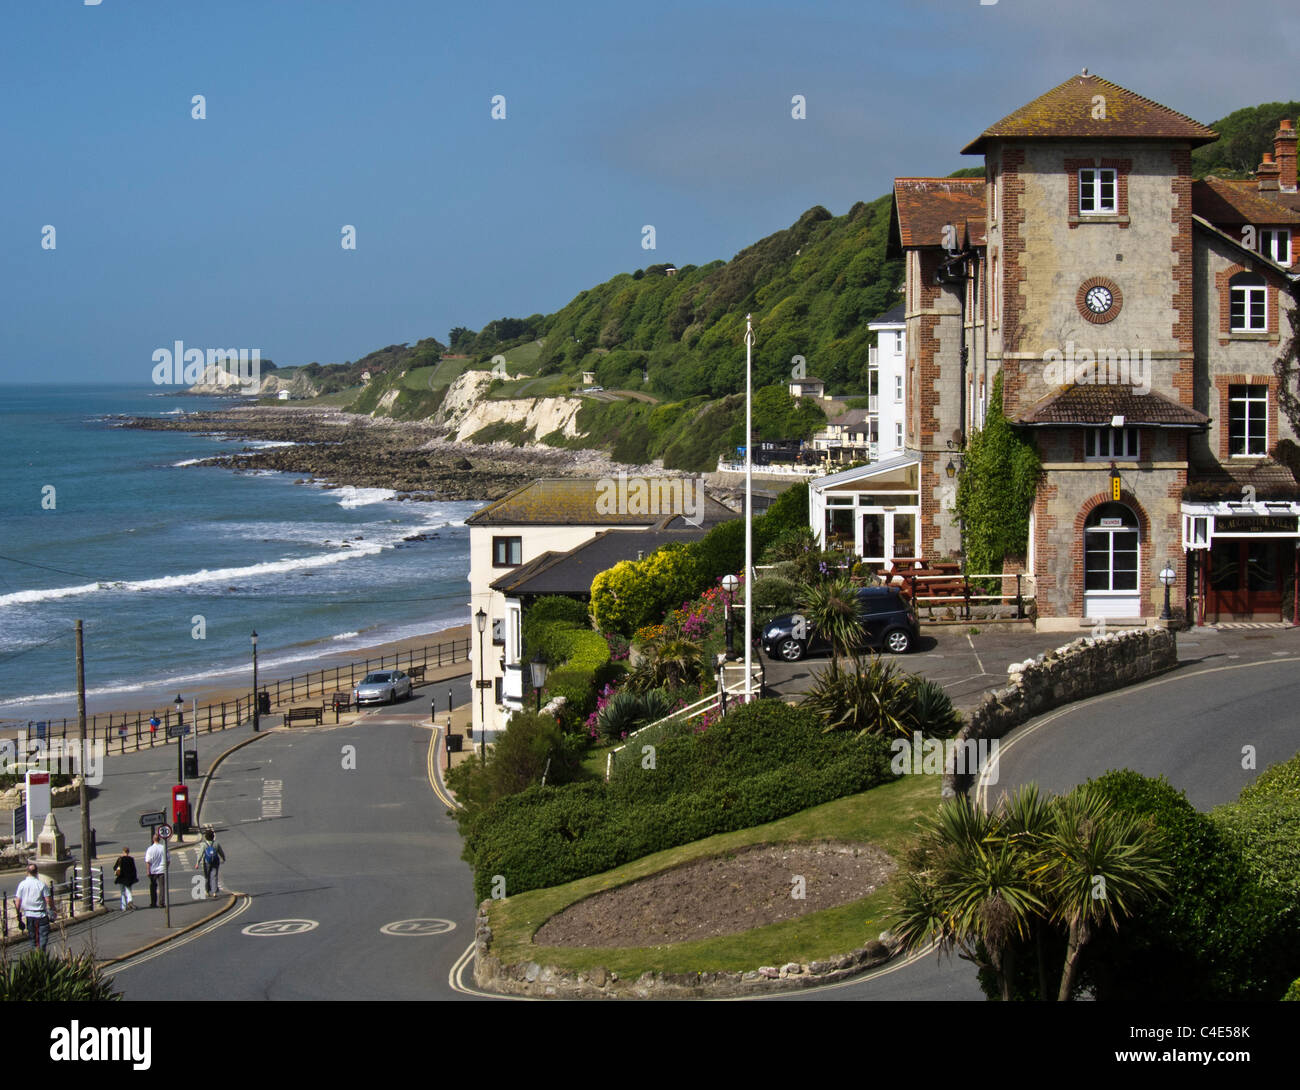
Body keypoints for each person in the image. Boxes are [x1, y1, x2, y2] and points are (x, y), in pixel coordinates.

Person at [15, 863, 56, 952]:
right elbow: (48, 900)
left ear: (27, 872)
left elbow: (17, 902)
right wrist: (53, 909)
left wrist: (18, 914)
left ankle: (35, 958)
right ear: (37, 872)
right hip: (41, 915)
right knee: (42, 940)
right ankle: (42, 957)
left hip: (29, 915)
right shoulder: (41, 884)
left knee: (33, 940)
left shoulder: (22, 885)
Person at [195, 827, 226, 897]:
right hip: (215, 862)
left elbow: (200, 854)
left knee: (207, 877)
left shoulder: (204, 845)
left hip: (207, 862)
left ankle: (207, 891)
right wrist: (223, 858)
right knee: (214, 876)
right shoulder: (216, 844)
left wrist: (197, 863)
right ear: (213, 836)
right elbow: (221, 852)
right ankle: (214, 892)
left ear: (205, 837)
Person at [144, 832, 166, 908]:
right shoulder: (163, 848)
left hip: (153, 871)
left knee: (153, 887)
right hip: (162, 870)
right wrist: (166, 867)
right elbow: (168, 860)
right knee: (162, 887)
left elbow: (148, 861)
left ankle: (153, 902)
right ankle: (161, 903)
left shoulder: (150, 849)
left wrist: (148, 870)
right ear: (159, 839)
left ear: (153, 839)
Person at [113, 846, 138, 910]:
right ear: (128, 852)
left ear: (123, 852)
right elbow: (134, 869)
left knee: (122, 892)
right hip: (128, 878)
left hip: (121, 878)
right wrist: (134, 877)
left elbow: (114, 867)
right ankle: (130, 901)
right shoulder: (131, 859)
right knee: (129, 890)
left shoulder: (120, 859)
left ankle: (123, 906)